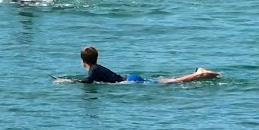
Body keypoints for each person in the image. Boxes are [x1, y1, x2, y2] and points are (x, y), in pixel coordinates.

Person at [68, 47, 220, 85]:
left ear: (83, 61)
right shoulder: (96, 68)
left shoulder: (93, 70)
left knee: (173, 83)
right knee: (166, 81)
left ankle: (199, 74)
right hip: (131, 78)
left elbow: (88, 82)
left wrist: (67, 81)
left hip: (131, 82)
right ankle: (197, 74)